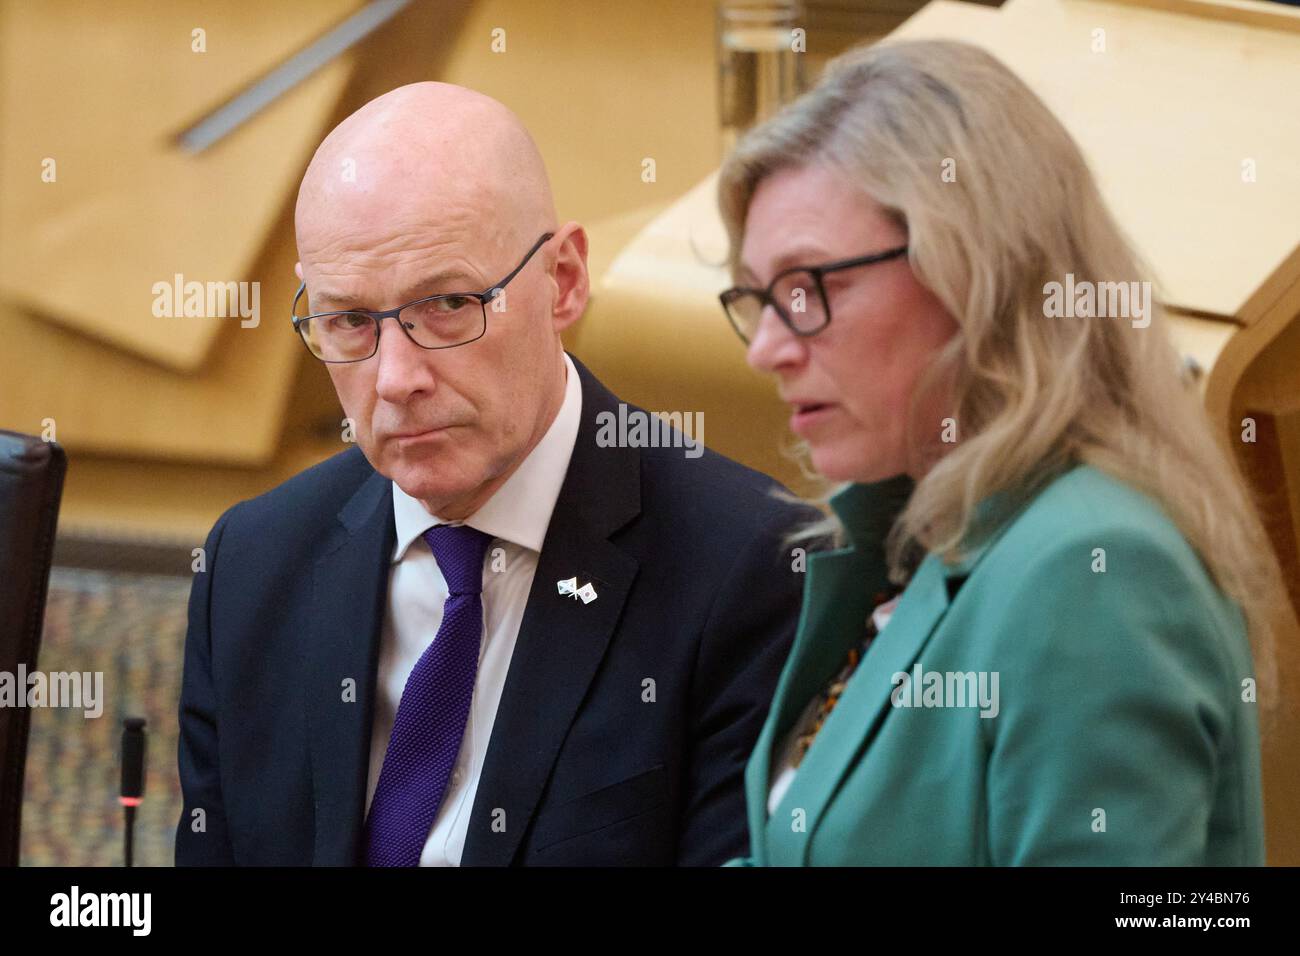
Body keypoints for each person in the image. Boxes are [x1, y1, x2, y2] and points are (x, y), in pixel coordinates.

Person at [175, 82, 810, 866]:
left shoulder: (747, 568)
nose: (396, 378)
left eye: (446, 304)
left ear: (564, 280)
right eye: (347, 322)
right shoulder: (253, 562)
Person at [716, 39, 1284, 865]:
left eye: (809, 290)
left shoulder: (1095, 566)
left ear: (974, 271)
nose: (765, 349)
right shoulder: (932, 532)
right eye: (760, 298)